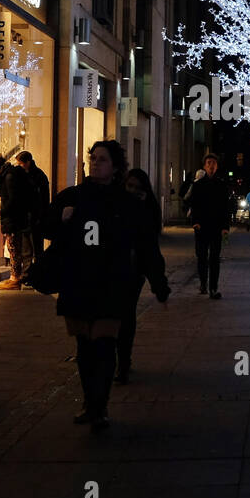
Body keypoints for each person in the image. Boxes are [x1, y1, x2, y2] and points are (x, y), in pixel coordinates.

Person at [44, 140, 169, 430]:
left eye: (102, 159)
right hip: (79, 280)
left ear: (115, 167)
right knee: (85, 346)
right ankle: (90, 401)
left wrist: (159, 284)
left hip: (112, 283)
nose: (95, 163)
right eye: (93, 158)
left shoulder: (126, 204)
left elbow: (147, 245)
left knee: (103, 344)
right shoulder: (74, 197)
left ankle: (99, 405)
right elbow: (44, 225)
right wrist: (61, 219)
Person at [116, 167, 166, 385]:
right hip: (114, 268)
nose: (132, 191)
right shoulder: (116, 204)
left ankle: (123, 362)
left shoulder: (149, 208)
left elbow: (151, 244)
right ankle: (118, 360)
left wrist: (159, 284)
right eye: (129, 186)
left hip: (135, 270)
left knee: (126, 315)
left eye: (137, 187)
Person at [189, 153, 231, 298]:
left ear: (217, 166)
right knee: (201, 257)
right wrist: (195, 222)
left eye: (213, 162)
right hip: (201, 227)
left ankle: (213, 287)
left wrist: (225, 226)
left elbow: (226, 207)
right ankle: (203, 283)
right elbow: (194, 205)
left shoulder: (222, 185)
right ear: (204, 166)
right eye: (208, 163)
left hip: (216, 227)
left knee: (214, 258)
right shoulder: (198, 185)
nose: (211, 165)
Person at [0, 153, 31, 289]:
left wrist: (5, 211)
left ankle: (15, 278)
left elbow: (12, 199)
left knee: (13, 247)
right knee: (12, 247)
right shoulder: (8, 175)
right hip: (14, 218)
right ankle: (15, 276)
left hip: (13, 218)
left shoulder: (8, 177)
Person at [15, 151, 50, 270]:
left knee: (35, 247)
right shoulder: (33, 175)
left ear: (27, 162)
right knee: (30, 248)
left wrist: (40, 216)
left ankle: (36, 273)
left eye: (20, 163)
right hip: (30, 217)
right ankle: (30, 273)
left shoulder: (37, 176)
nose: (19, 166)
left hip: (35, 217)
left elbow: (42, 199)